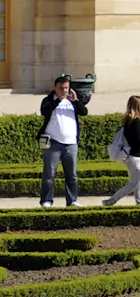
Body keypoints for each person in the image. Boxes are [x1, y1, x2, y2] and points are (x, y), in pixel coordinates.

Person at [37, 74, 87, 208]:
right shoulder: (49, 100)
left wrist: (76, 101)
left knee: (72, 175)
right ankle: (46, 200)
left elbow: (84, 112)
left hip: (71, 143)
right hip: (53, 143)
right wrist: (58, 99)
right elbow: (44, 111)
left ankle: (72, 200)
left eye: (66, 88)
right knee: (49, 174)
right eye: (61, 88)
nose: (64, 91)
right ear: (55, 88)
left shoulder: (72, 101)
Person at [104, 95, 140, 206]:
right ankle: (111, 201)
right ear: (137, 107)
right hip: (133, 156)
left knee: (139, 182)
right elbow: (139, 141)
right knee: (134, 183)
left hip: (130, 155)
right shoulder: (136, 121)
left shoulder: (128, 120)